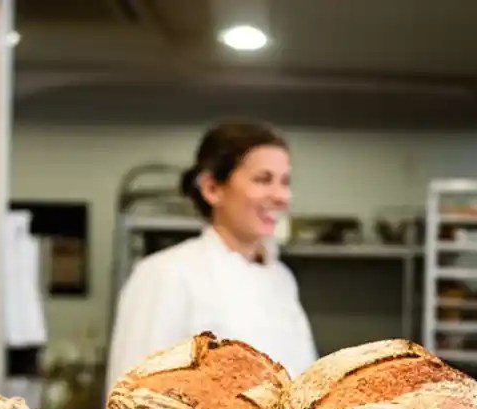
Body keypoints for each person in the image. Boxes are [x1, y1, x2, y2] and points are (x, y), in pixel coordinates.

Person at [105, 121, 318, 393]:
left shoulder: (281, 278)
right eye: (263, 179)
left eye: (285, 181)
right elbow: (129, 395)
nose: (281, 196)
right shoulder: (165, 274)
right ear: (212, 189)